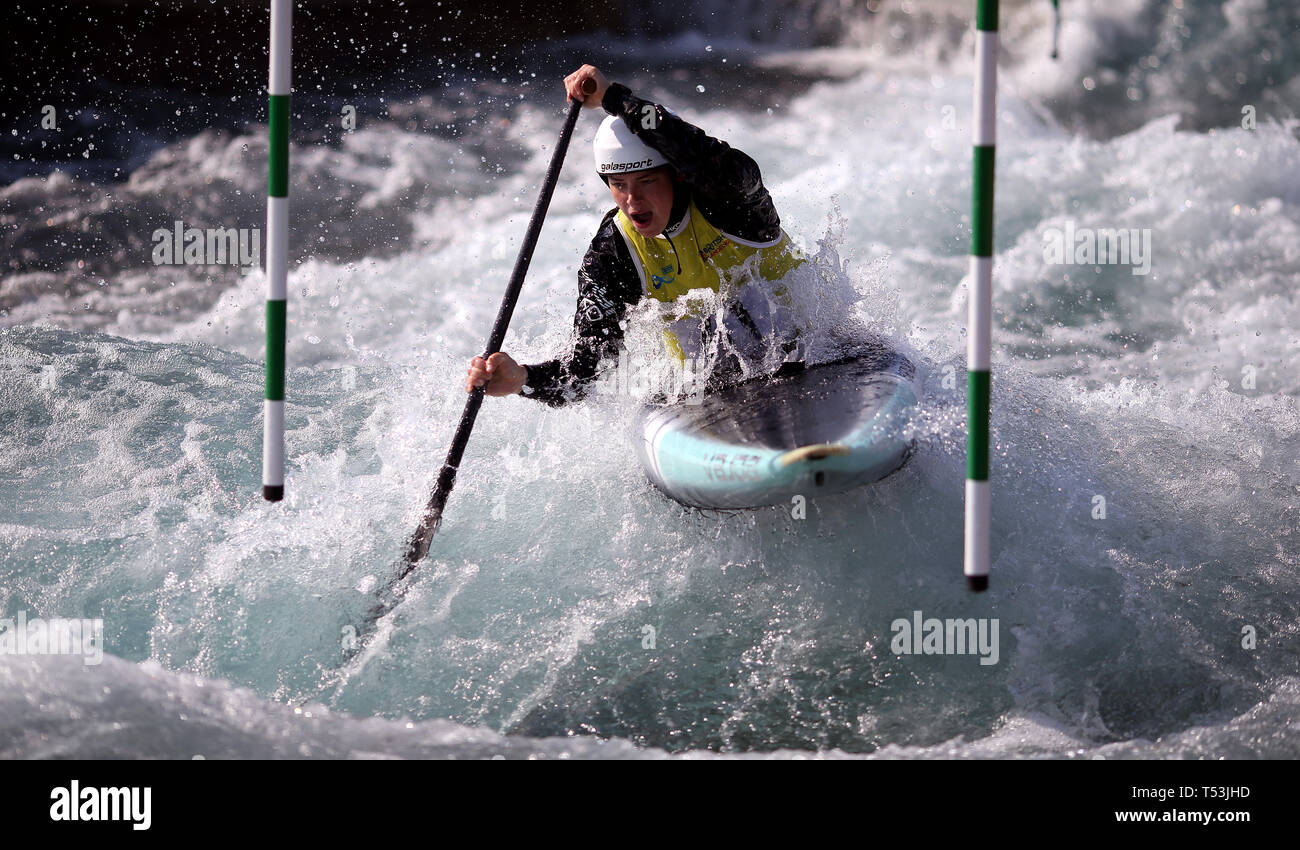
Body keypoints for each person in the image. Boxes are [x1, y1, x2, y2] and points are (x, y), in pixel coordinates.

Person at [465, 64, 807, 405]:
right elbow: (586, 370)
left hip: (818, 361)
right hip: (719, 398)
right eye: (618, 185)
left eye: (646, 181)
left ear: (678, 175)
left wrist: (615, 99)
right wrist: (522, 379)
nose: (632, 200)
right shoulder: (615, 251)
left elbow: (700, 153)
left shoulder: (732, 201)